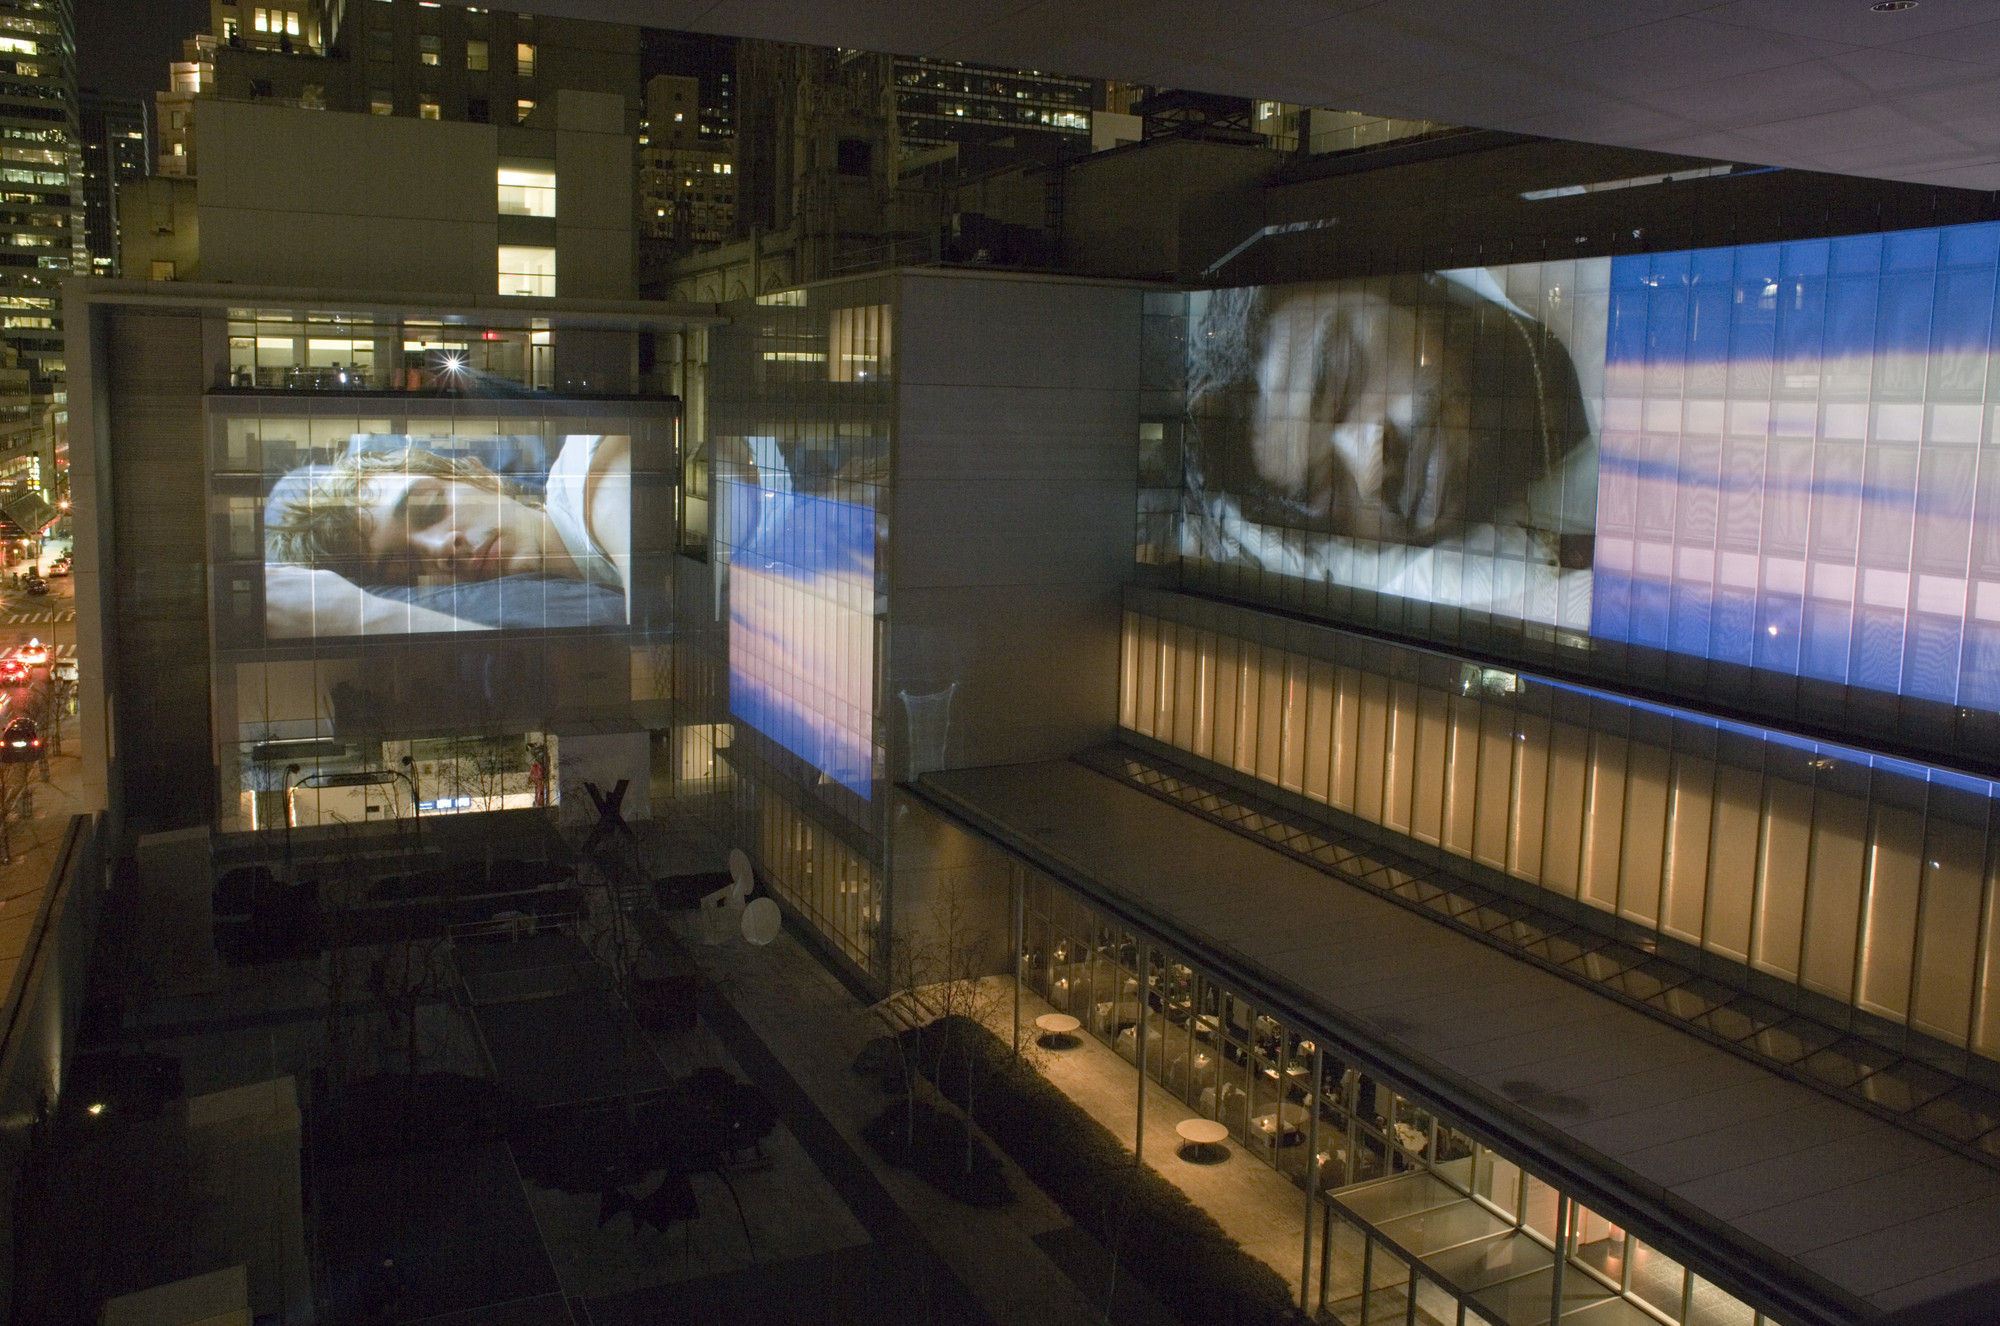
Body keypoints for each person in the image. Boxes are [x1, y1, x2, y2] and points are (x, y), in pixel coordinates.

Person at [1181, 272, 1595, 615]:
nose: (1371, 468)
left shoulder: (1580, 280)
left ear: (1390, 287)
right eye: (1331, 493)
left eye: (1345, 378)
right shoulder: (1546, 604)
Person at [262, 437, 630, 636]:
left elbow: (668, 664)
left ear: (479, 474)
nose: (441, 548)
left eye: (430, 508)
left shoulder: (594, 475)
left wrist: (361, 617)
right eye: (405, 571)